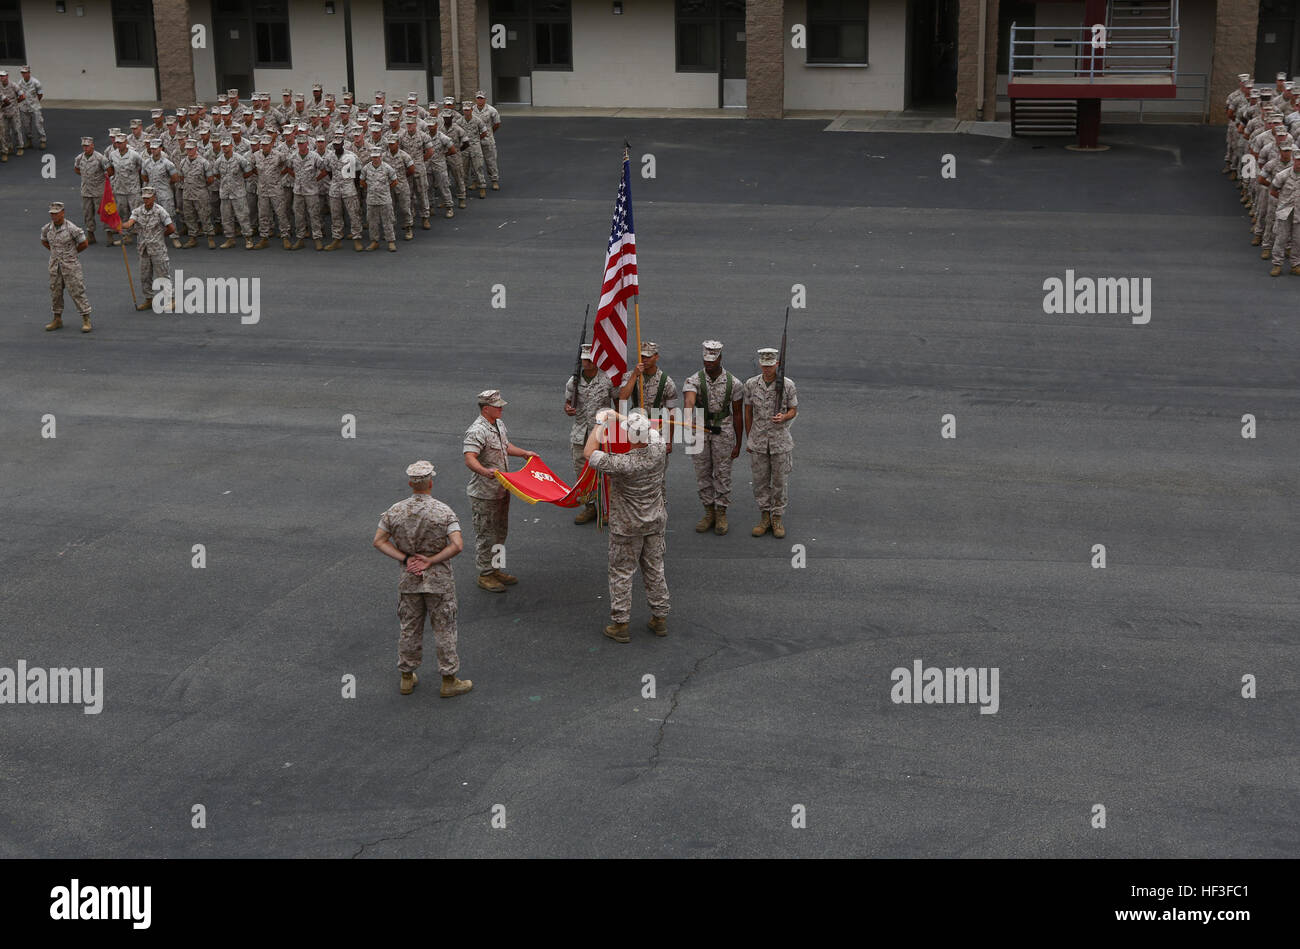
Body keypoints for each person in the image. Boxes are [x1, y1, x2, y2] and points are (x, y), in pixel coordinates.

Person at [373, 461, 473, 698]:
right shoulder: (443, 511)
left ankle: (407, 677)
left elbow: (378, 541)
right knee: (444, 628)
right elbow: (457, 545)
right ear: (431, 483)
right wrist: (432, 559)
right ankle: (449, 680)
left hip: (409, 579)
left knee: (409, 627)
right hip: (439, 581)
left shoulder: (395, 511)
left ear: (410, 483)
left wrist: (406, 558)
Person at [584, 409, 670, 642]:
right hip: (654, 521)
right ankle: (660, 618)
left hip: (627, 525)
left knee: (621, 572)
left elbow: (589, 452)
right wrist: (619, 416)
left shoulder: (623, 463)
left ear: (630, 437)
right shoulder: (658, 446)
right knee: (654, 569)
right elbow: (648, 430)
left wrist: (600, 422)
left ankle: (621, 624)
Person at [462, 390, 536, 592]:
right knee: (486, 534)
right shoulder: (477, 430)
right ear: (486, 409)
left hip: (501, 490)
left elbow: (505, 446)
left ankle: (497, 568)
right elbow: (470, 457)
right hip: (484, 493)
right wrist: (485, 472)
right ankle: (485, 574)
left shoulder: (498, 424)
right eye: (497, 406)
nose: (501, 408)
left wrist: (524, 453)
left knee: (500, 532)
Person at [682, 340, 744, 535]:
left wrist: (738, 443)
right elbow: (689, 399)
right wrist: (687, 414)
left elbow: (737, 414)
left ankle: (721, 512)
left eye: (712, 360)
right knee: (702, 472)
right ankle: (708, 511)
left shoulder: (734, 383)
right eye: (706, 360)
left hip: (723, 430)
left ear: (720, 358)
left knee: (723, 473)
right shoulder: (693, 379)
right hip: (699, 429)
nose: (708, 364)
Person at [743, 348, 799, 539]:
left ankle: (777, 517)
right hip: (758, 440)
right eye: (764, 365)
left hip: (779, 441)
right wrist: (749, 437)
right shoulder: (751, 384)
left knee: (779, 482)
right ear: (760, 364)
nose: (767, 369)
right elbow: (748, 412)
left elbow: (794, 409)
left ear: (777, 364)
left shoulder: (787, 385)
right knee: (760, 481)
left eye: (771, 365)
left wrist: (784, 416)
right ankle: (764, 516)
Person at [565, 343, 615, 524]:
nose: (586, 362)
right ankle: (589, 506)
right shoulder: (574, 381)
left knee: (605, 470)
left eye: (589, 359)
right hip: (580, 433)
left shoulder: (607, 379)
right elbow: (568, 403)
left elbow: (617, 400)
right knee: (581, 471)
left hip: (602, 432)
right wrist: (568, 409)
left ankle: (607, 507)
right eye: (584, 359)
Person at [122, 187, 177, 312]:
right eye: (144, 198)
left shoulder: (160, 211)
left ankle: (171, 300)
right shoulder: (137, 211)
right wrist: (119, 224)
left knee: (163, 275)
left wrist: (160, 236)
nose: (146, 200)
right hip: (144, 249)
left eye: (148, 198)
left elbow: (171, 228)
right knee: (145, 276)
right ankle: (149, 299)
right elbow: (130, 223)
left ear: (154, 197)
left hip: (158, 249)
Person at [41, 202, 92, 333]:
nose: (53, 216)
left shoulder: (72, 229)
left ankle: (86, 319)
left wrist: (71, 253)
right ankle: (57, 319)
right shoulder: (47, 228)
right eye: (52, 213)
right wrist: (55, 253)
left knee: (77, 291)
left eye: (56, 213)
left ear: (63, 213)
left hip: (71, 266)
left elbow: (84, 243)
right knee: (55, 292)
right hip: (55, 266)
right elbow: (44, 241)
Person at [74, 136, 110, 245]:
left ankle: (109, 234)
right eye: (84, 146)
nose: (85, 148)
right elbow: (76, 169)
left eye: (87, 146)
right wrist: (87, 177)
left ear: (92, 146)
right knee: (87, 213)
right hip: (86, 190)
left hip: (99, 191)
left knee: (104, 212)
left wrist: (99, 179)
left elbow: (109, 171)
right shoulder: (79, 158)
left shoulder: (100, 158)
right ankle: (90, 234)